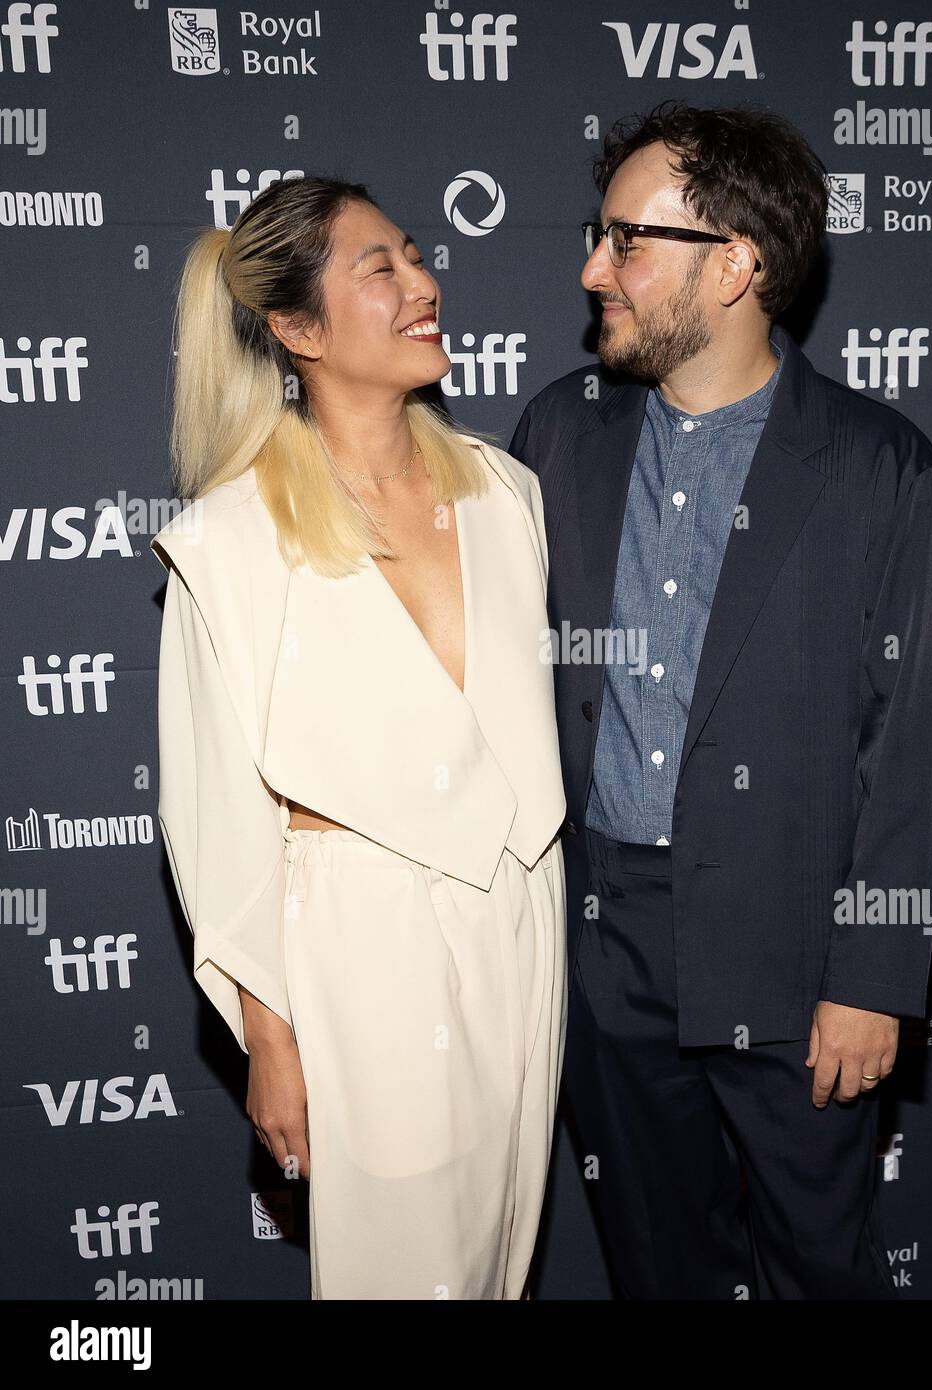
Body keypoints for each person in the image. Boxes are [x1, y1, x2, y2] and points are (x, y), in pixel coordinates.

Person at [509, 102, 932, 1299]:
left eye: (627, 243)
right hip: (604, 954)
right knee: (658, 1266)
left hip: (796, 951)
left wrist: (873, 977)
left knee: (821, 1267)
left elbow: (906, 750)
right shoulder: (557, 434)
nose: (591, 269)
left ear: (738, 267)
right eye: (598, 237)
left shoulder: (878, 465)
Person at [152, 175, 567, 1299]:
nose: (424, 282)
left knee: (499, 1258)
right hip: (359, 939)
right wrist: (270, 1042)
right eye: (379, 267)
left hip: (521, 912)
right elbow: (218, 820)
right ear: (295, 328)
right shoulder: (228, 545)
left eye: (416, 255)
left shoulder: (506, 493)